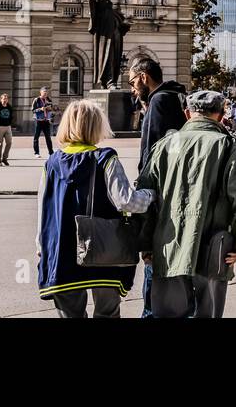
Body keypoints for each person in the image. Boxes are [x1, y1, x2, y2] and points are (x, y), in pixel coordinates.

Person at [136, 90, 236, 319]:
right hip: (213, 249)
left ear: (187, 113)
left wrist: (146, 245)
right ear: (222, 115)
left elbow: (144, 199)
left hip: (166, 248)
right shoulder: (228, 146)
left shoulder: (164, 146)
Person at [36, 100, 154, 317]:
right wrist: (150, 195)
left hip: (61, 247)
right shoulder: (105, 158)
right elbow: (126, 201)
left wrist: (41, 244)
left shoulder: (51, 162)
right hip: (103, 246)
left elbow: (43, 209)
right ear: (96, 126)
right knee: (107, 312)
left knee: (70, 313)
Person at [128, 54, 187, 318]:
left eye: (132, 83)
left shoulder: (159, 102)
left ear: (144, 77)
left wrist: (143, 189)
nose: (132, 89)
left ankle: (150, 313)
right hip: (176, 191)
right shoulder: (174, 97)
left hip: (160, 195)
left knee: (152, 259)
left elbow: (152, 153)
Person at [0, 93, 14, 165]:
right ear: (1, 99)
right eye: (4, 98)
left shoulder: (9, 107)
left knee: (9, 143)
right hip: (0, 127)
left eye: (6, 99)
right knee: (0, 144)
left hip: (8, 127)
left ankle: (4, 158)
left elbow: (11, 116)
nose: (5, 100)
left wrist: (10, 124)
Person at [32, 88, 55, 158]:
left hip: (46, 120)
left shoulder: (48, 100)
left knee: (48, 137)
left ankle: (51, 152)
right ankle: (36, 152)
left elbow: (51, 108)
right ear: (40, 93)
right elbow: (33, 110)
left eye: (46, 93)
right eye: (44, 92)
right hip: (38, 120)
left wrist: (49, 109)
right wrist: (40, 109)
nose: (45, 94)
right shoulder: (37, 100)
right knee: (36, 137)